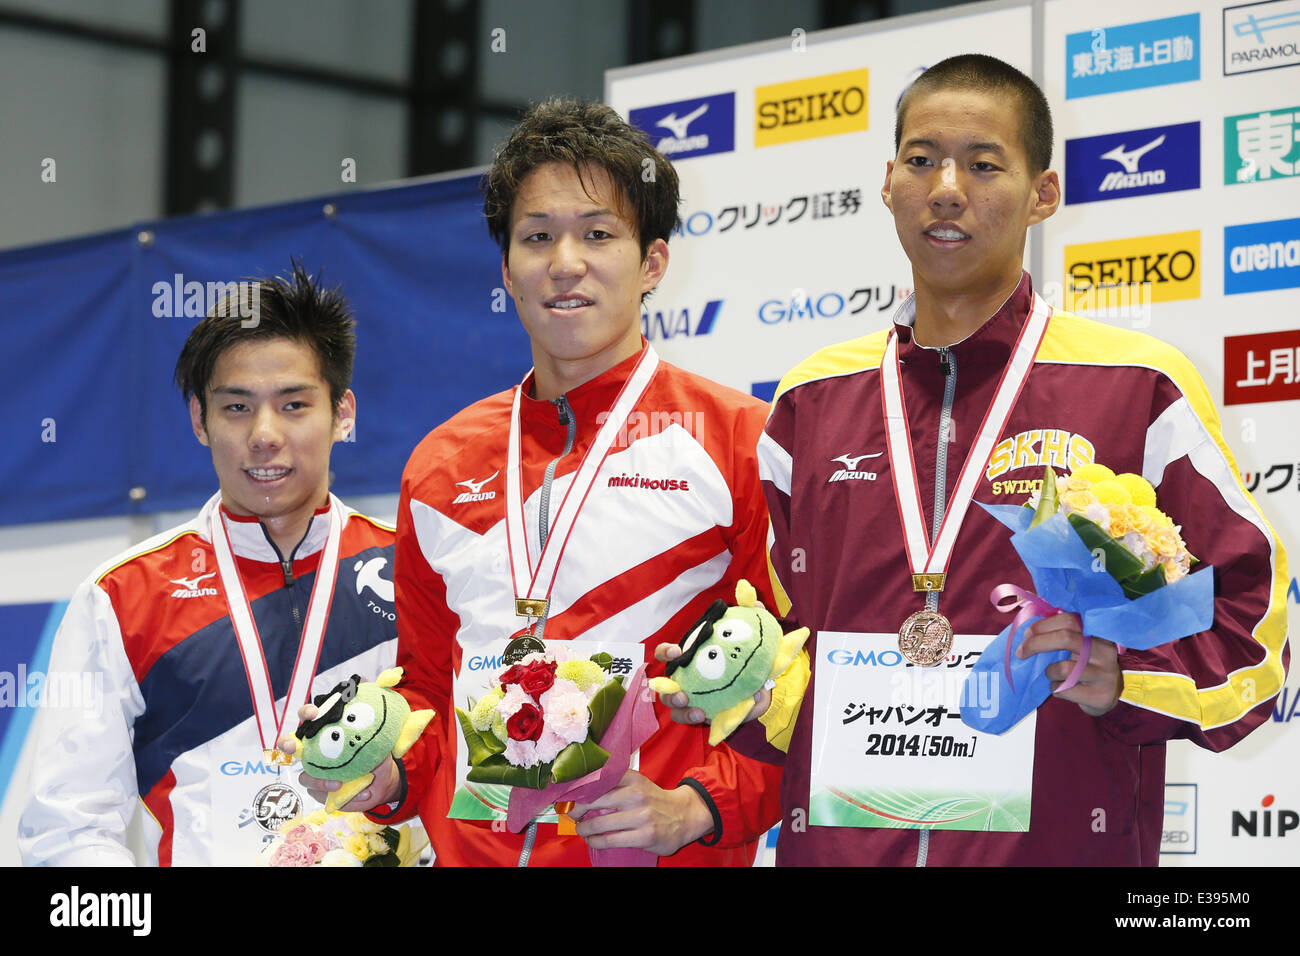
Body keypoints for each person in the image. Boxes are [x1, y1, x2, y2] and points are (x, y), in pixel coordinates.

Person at [665, 54, 1289, 865]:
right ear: (888, 182)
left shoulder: (1137, 387)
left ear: (1044, 194)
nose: (948, 186)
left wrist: (1126, 681)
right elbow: (792, 649)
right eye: (922, 160)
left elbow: (1250, 622)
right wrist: (733, 686)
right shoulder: (810, 404)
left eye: (984, 164)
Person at [291, 99, 782, 866]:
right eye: (538, 237)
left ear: (653, 261)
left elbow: (793, 677)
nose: (565, 262)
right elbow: (426, 689)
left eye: (597, 234)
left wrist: (700, 806)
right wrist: (388, 775)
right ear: (506, 269)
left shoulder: (739, 441)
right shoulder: (440, 465)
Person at [19, 264, 399, 866]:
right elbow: (68, 829)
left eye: (295, 404)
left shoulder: (414, 569)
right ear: (200, 419)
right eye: (237, 407)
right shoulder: (122, 596)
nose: (265, 435)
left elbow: (465, 777)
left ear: (343, 413)